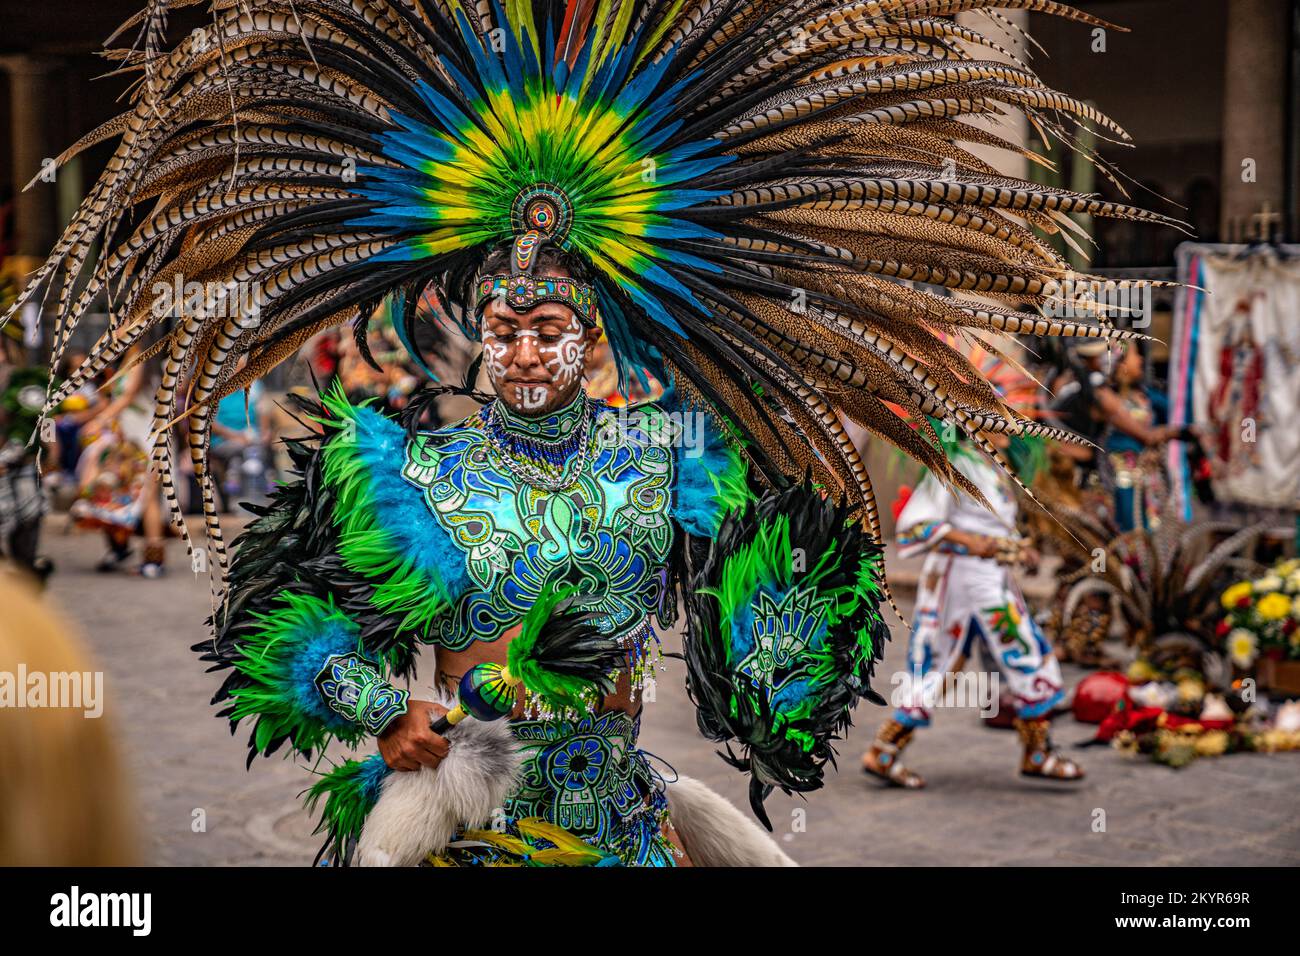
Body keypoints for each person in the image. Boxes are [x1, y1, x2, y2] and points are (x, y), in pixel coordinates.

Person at [8, 2, 1172, 865]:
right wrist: (382, 707)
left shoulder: (664, 464)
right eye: (504, 326)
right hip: (469, 821)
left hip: (624, 821)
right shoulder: (409, 467)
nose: (521, 350)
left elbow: (759, 662)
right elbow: (278, 621)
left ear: (592, 335)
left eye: (548, 327)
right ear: (475, 331)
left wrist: (800, 591)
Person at [862, 427, 1085, 789]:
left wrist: (1017, 548)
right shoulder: (956, 465)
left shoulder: (990, 465)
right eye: (998, 424)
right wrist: (971, 542)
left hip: (986, 578)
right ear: (976, 427)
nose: (1010, 432)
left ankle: (885, 749)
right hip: (965, 580)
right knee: (1021, 651)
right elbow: (917, 526)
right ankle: (1037, 754)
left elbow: (992, 525)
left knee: (945, 663)